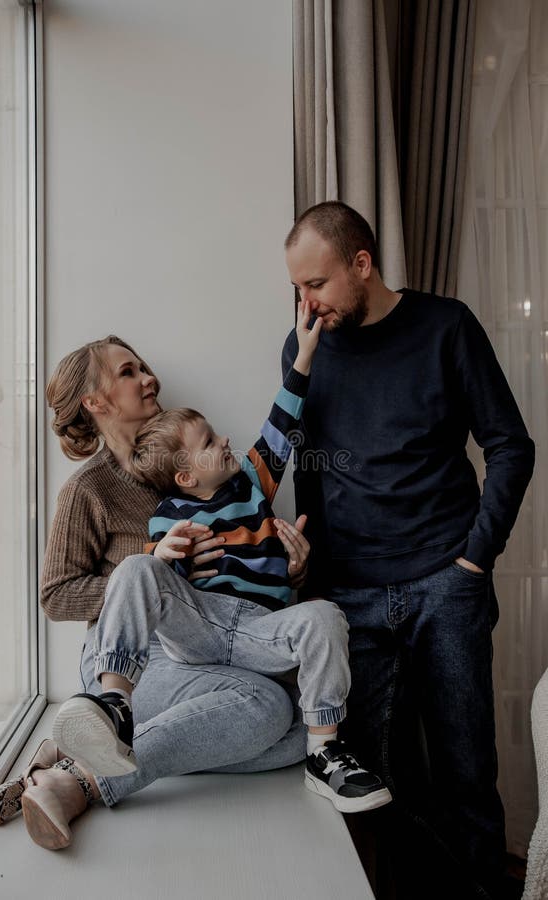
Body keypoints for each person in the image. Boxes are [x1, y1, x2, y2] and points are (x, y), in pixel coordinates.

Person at [50, 300, 391, 821]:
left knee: (293, 724)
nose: (149, 377)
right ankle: (98, 741)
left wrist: (288, 567)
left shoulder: (207, 469)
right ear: (95, 401)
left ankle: (86, 759)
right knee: (266, 708)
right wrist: (154, 559)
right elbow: (56, 595)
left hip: (240, 636)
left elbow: (275, 442)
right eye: (129, 371)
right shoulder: (88, 489)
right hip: (145, 656)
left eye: (142, 365)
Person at [281, 201, 535, 900]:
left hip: (444, 585)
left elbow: (511, 446)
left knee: (465, 777)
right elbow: (311, 462)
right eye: (296, 288)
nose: (306, 303)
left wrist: (474, 561)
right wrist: (311, 572)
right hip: (351, 599)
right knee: (373, 784)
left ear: (362, 264)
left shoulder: (446, 326)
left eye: (317, 284)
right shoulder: (305, 343)